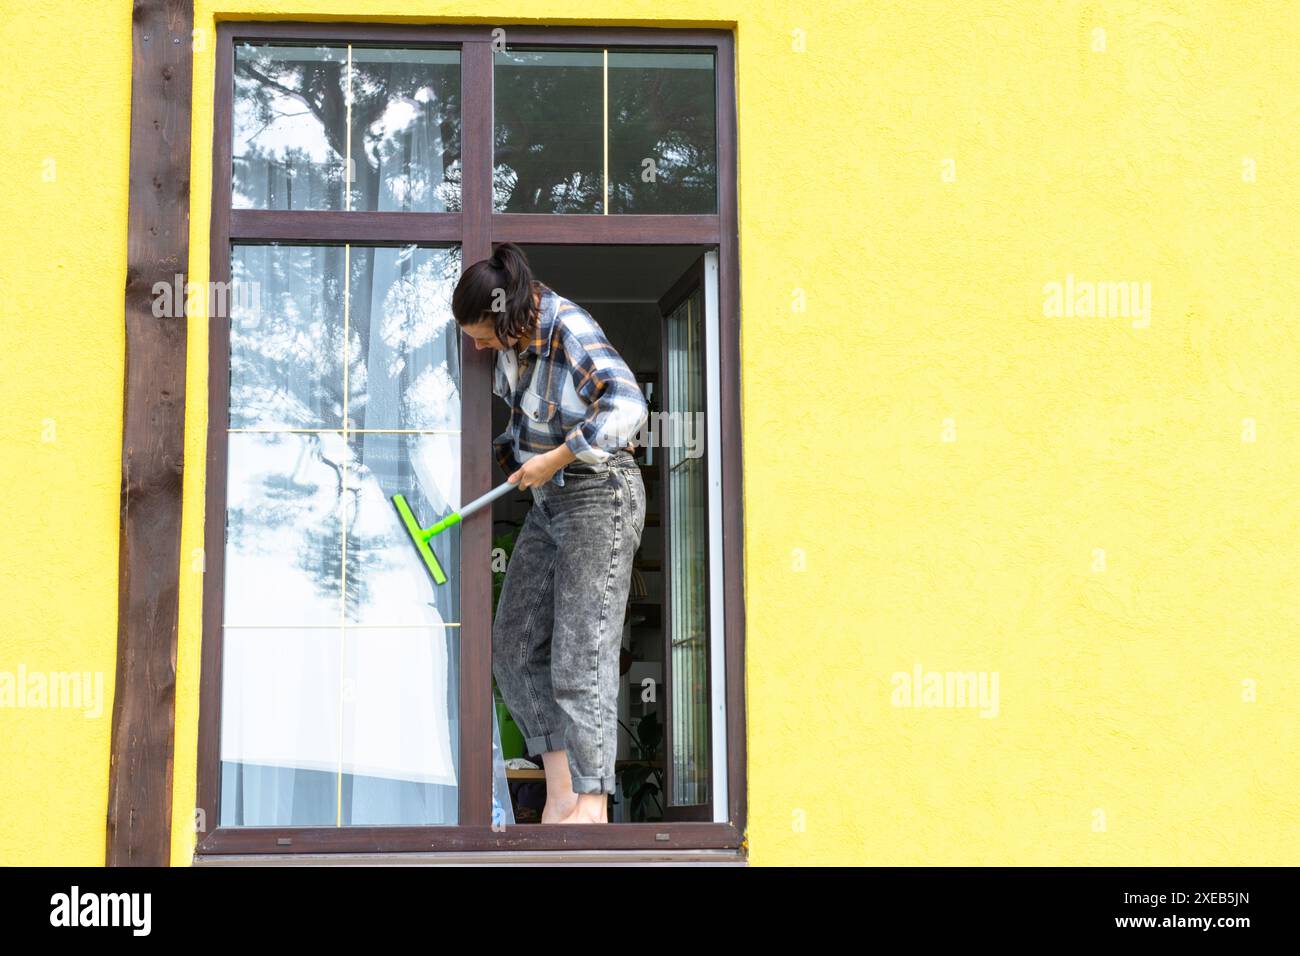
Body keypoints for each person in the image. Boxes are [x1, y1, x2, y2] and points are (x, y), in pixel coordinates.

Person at [452, 242, 649, 824]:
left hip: (599, 494)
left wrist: (558, 457)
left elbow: (629, 406)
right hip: (547, 503)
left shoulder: (567, 326)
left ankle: (591, 806)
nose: (479, 348)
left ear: (506, 313)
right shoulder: (516, 347)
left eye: (482, 336)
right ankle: (562, 795)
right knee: (513, 647)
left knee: (579, 652)